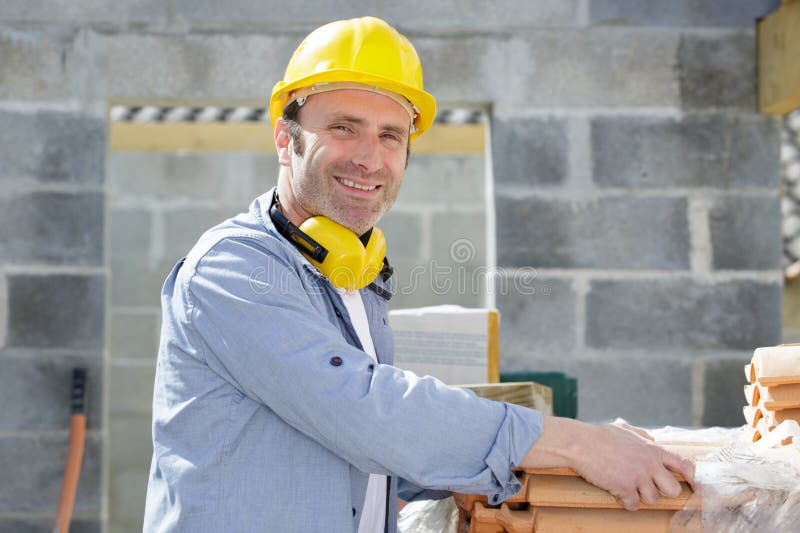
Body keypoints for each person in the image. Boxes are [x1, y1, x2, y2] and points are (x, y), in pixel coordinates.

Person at [143, 16, 695, 532]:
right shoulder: (233, 269)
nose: (370, 157)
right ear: (286, 140)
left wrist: (524, 464)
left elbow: (356, 456)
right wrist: (576, 445)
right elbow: (365, 413)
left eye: (391, 136)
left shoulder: (350, 273)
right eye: (344, 127)